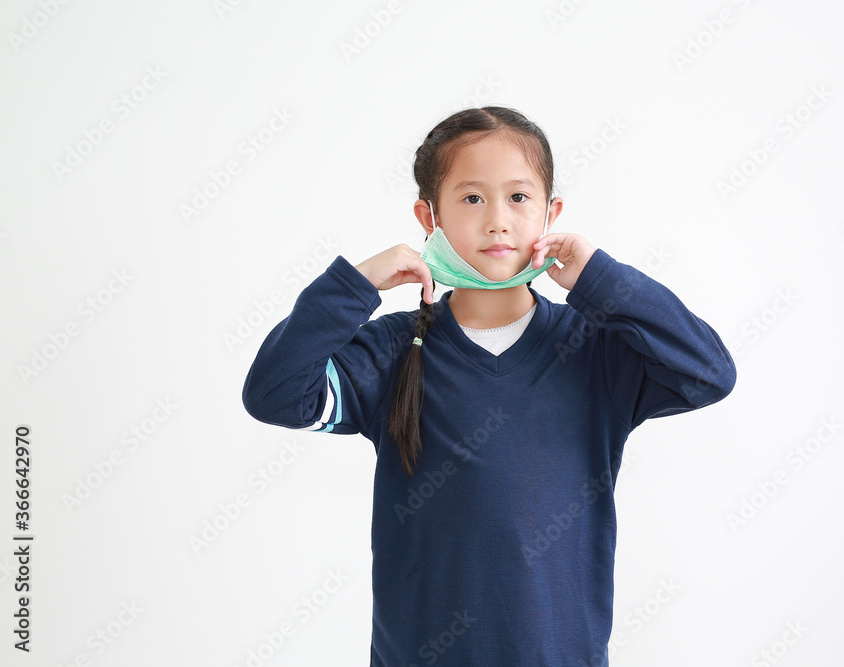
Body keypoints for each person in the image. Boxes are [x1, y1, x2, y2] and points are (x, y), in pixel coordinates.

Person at [242, 106, 737, 666]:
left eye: (519, 198)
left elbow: (709, 373)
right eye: (472, 198)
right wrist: (354, 286)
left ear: (552, 212)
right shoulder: (391, 353)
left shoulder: (596, 351)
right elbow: (274, 393)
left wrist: (601, 278)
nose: (498, 220)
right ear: (429, 216)